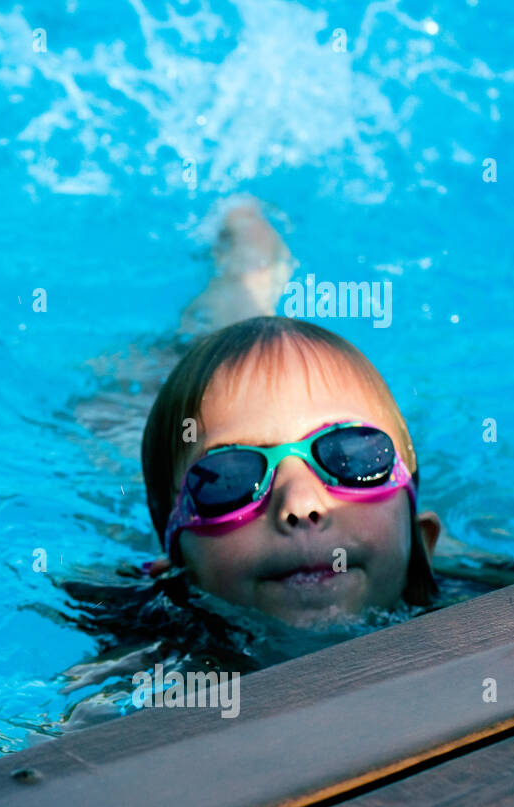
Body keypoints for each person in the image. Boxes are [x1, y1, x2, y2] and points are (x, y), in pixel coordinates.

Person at [140, 199, 440, 629]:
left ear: (421, 542)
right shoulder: (140, 671)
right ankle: (245, 279)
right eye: (229, 476)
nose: (300, 504)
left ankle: (249, 281)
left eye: (353, 456)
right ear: (172, 568)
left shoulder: (506, 609)